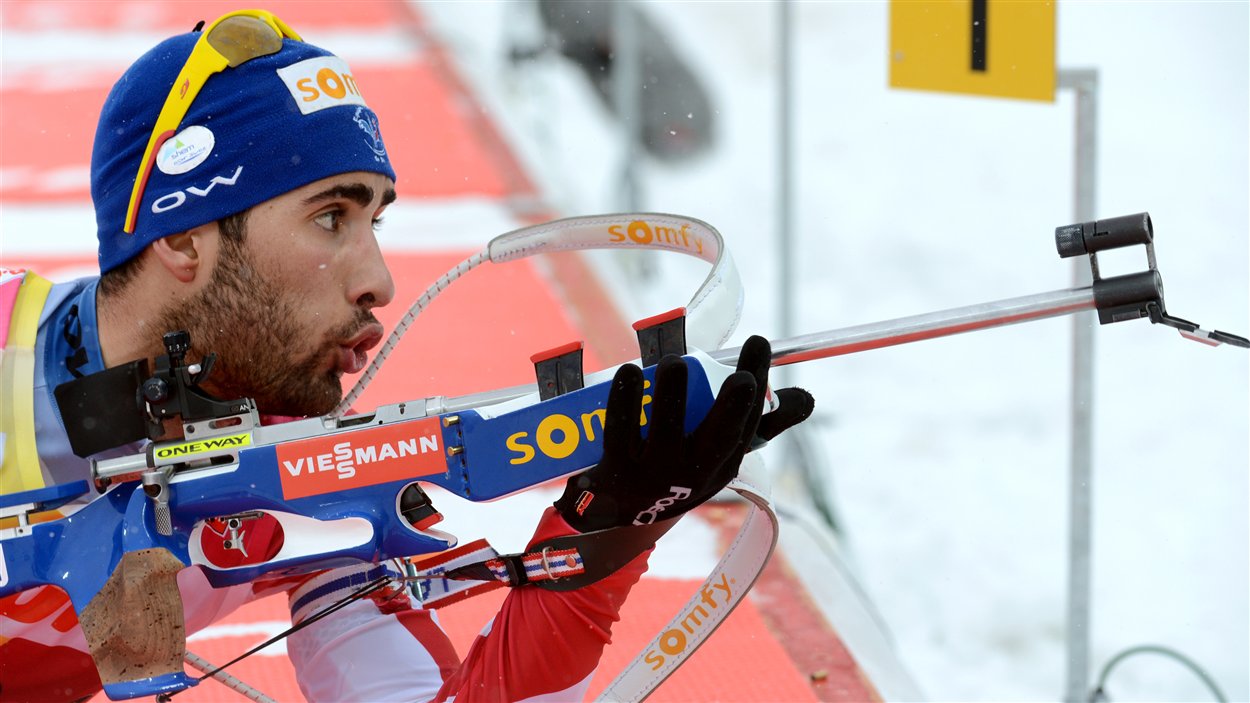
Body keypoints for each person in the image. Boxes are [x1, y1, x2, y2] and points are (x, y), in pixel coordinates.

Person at [0, 9, 812, 702]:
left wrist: (600, 542)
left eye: (376, 220)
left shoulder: (290, 464)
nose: (380, 281)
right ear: (182, 237)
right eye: (329, 218)